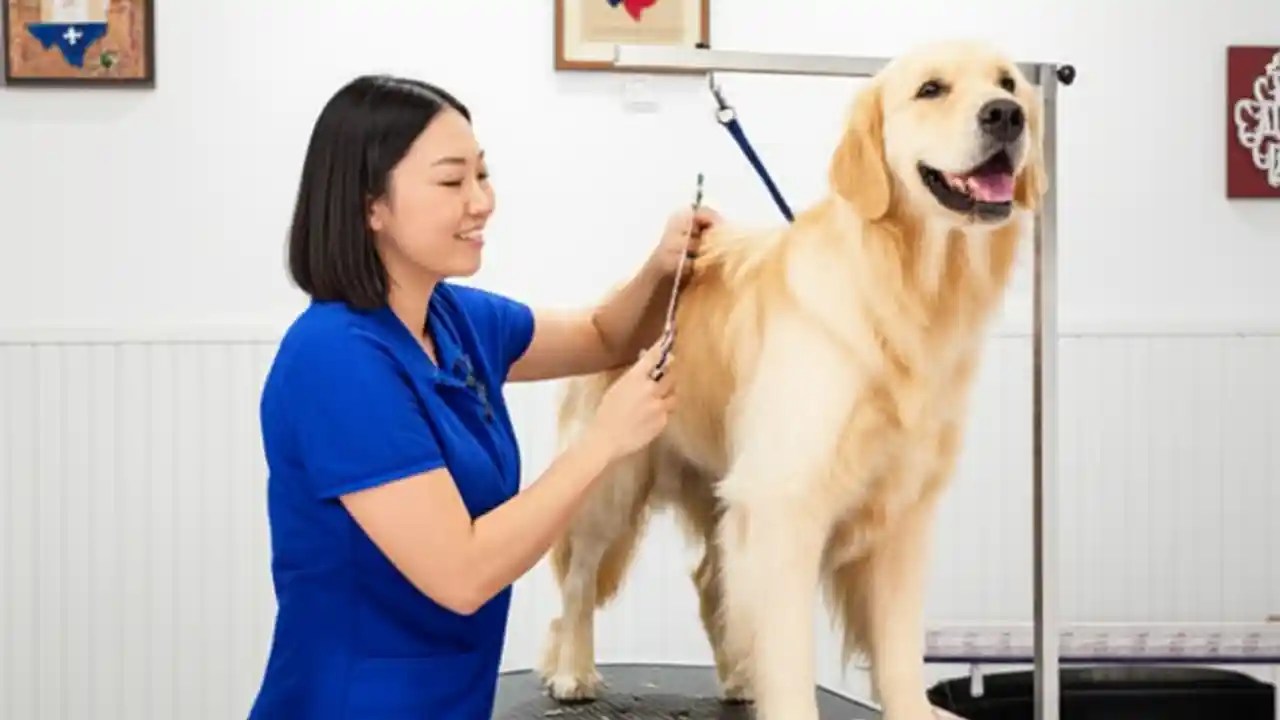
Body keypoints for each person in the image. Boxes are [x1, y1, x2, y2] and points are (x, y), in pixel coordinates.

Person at [247, 74, 722, 719]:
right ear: (370, 207)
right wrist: (603, 442)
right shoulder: (336, 361)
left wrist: (662, 265)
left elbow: (603, 335)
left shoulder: (453, 319)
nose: (482, 201)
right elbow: (463, 574)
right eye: (451, 181)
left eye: (482, 174)